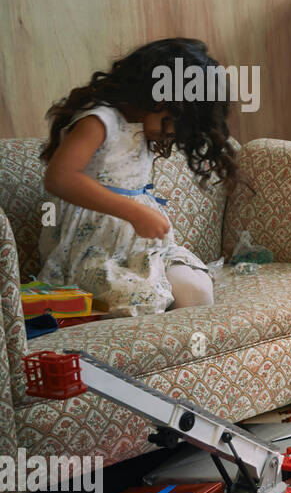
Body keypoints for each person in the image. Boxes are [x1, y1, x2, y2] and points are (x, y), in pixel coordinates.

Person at [38, 38, 238, 316]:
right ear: (154, 97)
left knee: (197, 291)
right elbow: (59, 178)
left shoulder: (141, 126)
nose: (173, 133)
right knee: (143, 301)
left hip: (145, 251)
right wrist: (134, 212)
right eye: (173, 121)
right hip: (96, 251)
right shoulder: (99, 121)